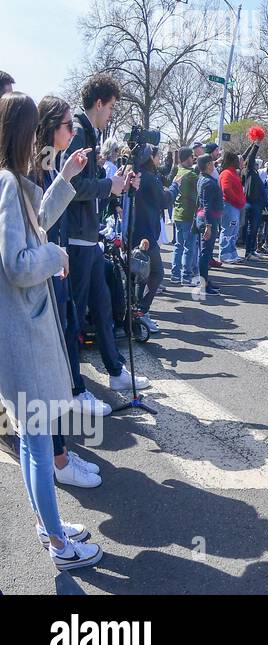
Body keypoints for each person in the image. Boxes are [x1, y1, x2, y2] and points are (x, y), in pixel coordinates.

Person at [0, 91, 103, 570]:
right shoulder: (6, 183)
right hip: (22, 330)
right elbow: (19, 263)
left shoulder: (12, 181)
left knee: (31, 441)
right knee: (38, 442)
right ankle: (59, 544)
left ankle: (50, 527)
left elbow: (36, 223)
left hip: (22, 332)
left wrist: (64, 179)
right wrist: (55, 257)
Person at [32, 96, 103, 487]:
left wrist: (67, 176)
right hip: (41, 283)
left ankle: (59, 453)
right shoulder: (28, 168)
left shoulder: (48, 162)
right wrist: (54, 256)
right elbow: (32, 233)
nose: (72, 132)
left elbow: (44, 220)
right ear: (47, 128)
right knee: (49, 373)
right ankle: (57, 460)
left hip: (54, 271)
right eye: (65, 126)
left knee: (62, 360)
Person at [63, 75, 142, 405]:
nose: (111, 114)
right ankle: (74, 388)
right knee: (76, 315)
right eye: (110, 107)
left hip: (89, 236)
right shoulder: (79, 131)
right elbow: (71, 186)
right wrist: (108, 187)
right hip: (77, 239)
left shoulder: (89, 131)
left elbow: (91, 186)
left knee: (104, 305)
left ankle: (115, 369)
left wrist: (117, 184)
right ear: (99, 103)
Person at [129, 143, 170, 334]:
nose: (160, 158)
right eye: (158, 155)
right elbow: (164, 201)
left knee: (141, 275)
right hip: (146, 233)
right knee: (157, 272)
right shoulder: (149, 178)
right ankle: (141, 310)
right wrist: (174, 188)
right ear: (150, 157)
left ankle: (137, 311)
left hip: (136, 229)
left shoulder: (138, 175)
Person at [168, 146, 199, 285]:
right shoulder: (191, 175)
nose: (194, 159)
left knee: (178, 246)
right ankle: (186, 276)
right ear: (187, 158)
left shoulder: (178, 171)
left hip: (178, 214)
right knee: (189, 247)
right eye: (192, 157)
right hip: (188, 214)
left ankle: (175, 275)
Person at [195, 154, 224, 295]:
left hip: (208, 218)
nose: (214, 165)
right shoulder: (207, 182)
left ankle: (205, 280)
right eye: (212, 163)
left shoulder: (204, 179)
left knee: (206, 253)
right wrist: (208, 226)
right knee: (205, 254)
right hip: (208, 219)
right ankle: (203, 285)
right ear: (207, 165)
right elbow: (206, 205)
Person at [217, 151, 245, 264]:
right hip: (229, 206)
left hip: (235, 207)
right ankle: (224, 254)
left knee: (234, 231)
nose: (239, 162)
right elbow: (226, 190)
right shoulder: (226, 173)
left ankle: (232, 253)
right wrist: (237, 200)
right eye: (237, 160)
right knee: (228, 230)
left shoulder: (234, 173)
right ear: (232, 161)